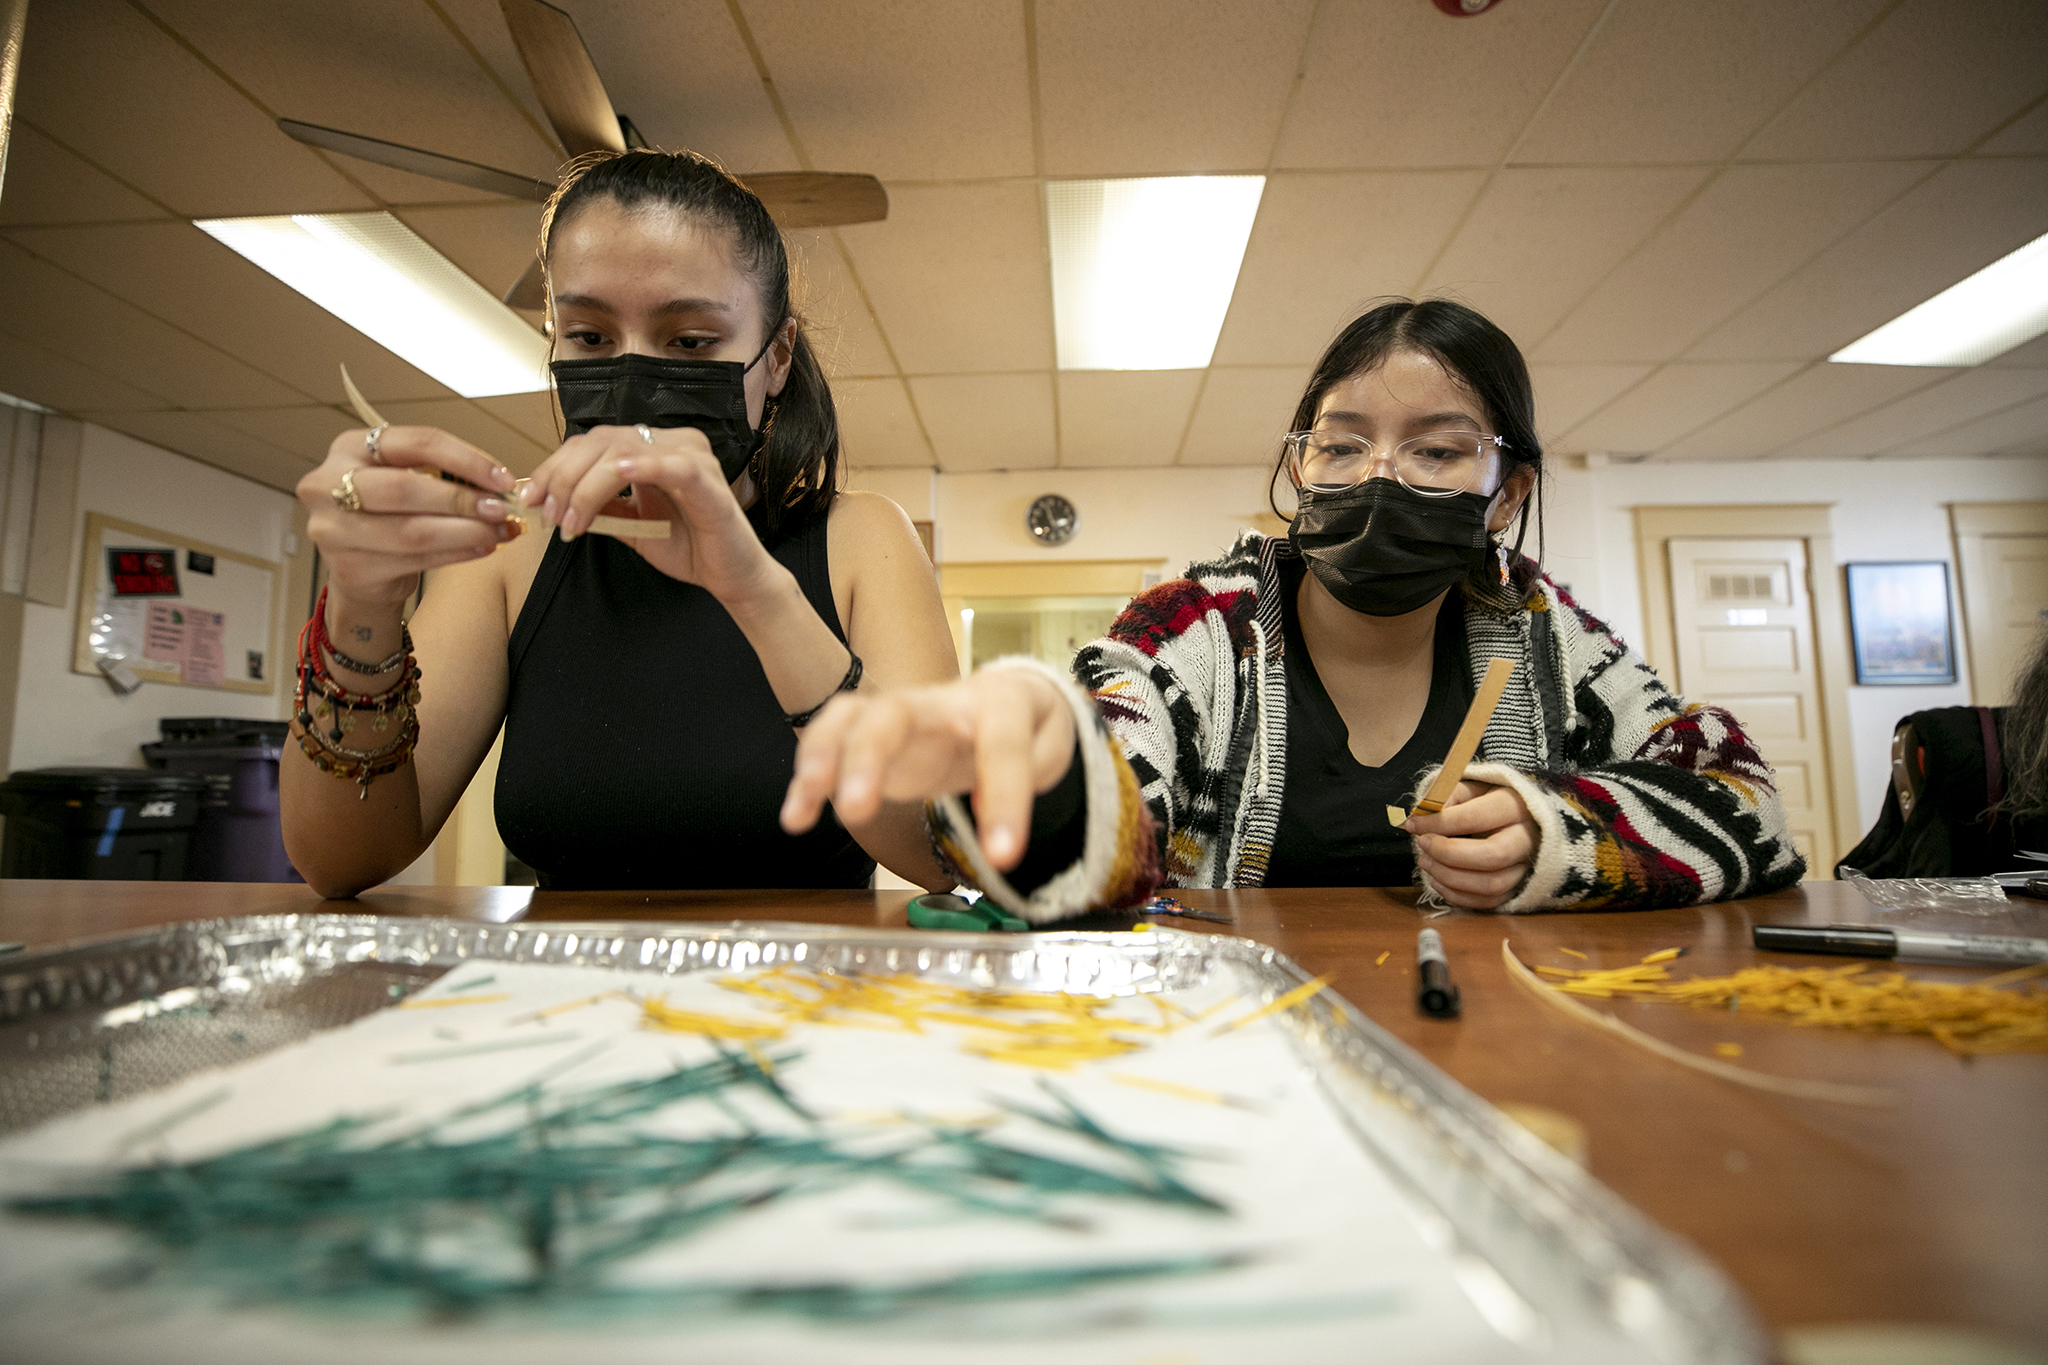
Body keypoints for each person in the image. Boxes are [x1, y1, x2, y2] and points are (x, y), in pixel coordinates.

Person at [780, 299, 1806, 919]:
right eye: (1340, 442)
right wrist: (1047, 761)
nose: (1379, 475)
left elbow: (1749, 808)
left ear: (1506, 493)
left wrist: (1562, 837)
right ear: (1300, 463)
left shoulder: (1543, 638)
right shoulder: (1189, 630)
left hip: (1504, 1042)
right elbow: (1103, 834)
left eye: (1437, 450)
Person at [283, 150, 958, 897]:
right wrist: (359, 607)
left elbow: (940, 853)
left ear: (778, 357)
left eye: (692, 342)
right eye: (590, 338)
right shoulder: (511, 557)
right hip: (567, 1004)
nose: (633, 377)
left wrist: (758, 594)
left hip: (807, 1001)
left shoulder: (863, 542)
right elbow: (341, 860)